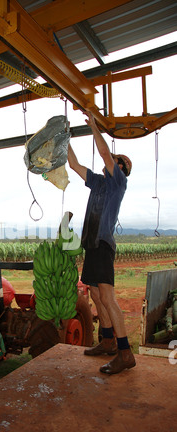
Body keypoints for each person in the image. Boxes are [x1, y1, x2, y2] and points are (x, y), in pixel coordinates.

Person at [67, 110, 136, 374]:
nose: (111, 160)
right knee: (95, 294)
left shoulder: (118, 183)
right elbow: (74, 165)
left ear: (121, 169)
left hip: (104, 245)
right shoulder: (98, 183)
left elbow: (105, 155)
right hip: (91, 245)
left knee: (107, 297)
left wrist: (94, 127)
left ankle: (125, 352)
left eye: (117, 160)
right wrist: (66, 140)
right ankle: (107, 341)